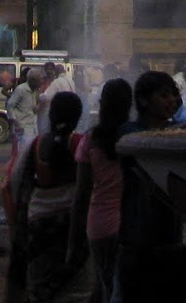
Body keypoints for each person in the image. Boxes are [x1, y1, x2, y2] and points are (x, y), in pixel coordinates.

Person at [113, 71, 186, 303]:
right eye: (164, 95)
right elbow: (156, 139)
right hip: (137, 244)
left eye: (173, 95)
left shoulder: (173, 133)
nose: (172, 101)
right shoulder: (129, 134)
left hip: (170, 242)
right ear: (143, 101)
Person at [8, 91, 85, 302]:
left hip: (39, 221)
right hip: (71, 224)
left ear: (51, 115)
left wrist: (17, 226)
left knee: (39, 285)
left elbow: (14, 183)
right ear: (78, 116)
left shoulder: (36, 144)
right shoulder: (81, 143)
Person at [71, 77, 132, 303]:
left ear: (102, 103)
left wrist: (74, 241)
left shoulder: (90, 140)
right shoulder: (134, 139)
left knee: (105, 285)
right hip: (129, 225)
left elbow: (81, 195)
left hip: (98, 225)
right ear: (129, 105)